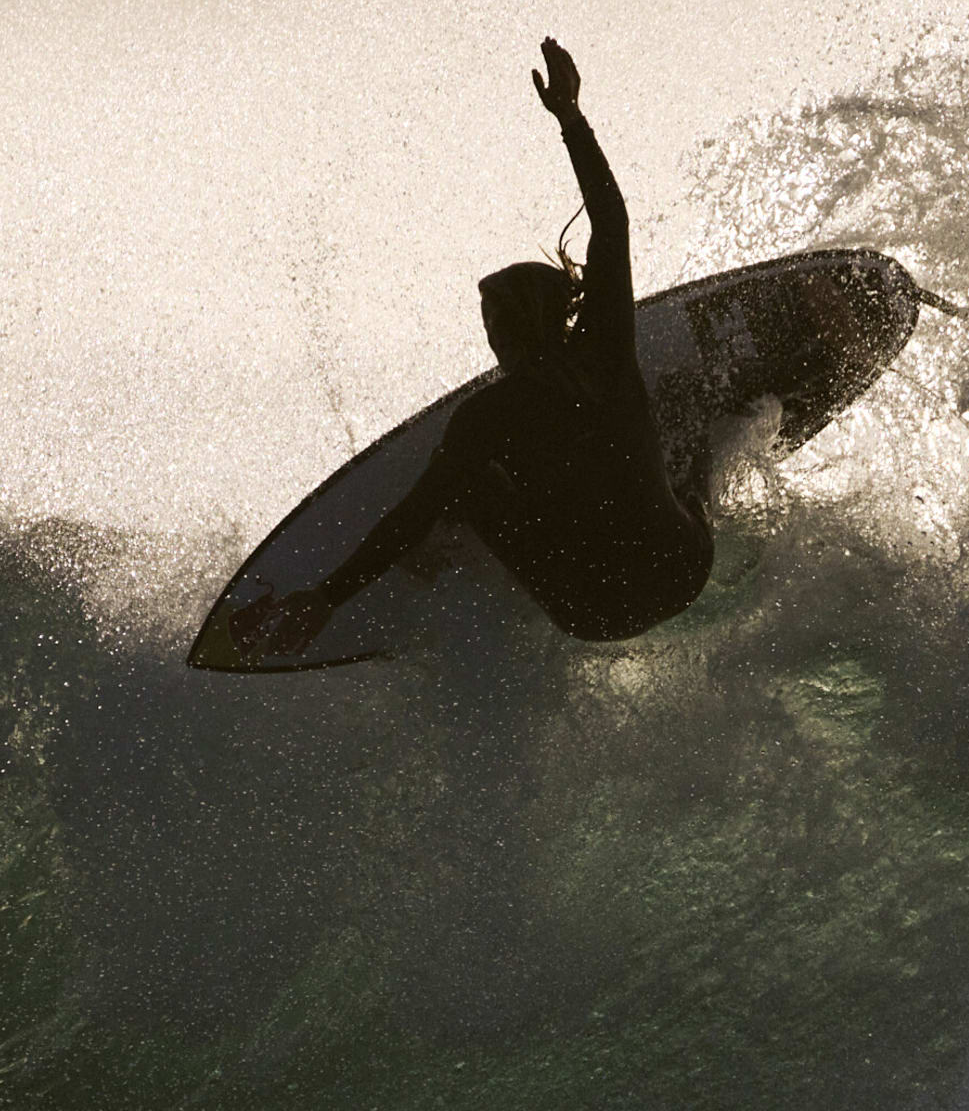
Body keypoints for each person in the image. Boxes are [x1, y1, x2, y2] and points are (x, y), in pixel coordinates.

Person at [243, 39, 710, 657]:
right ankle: (701, 476)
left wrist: (328, 598)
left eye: (491, 321)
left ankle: (447, 549)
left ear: (509, 330)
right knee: (683, 413)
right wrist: (570, 119)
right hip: (681, 571)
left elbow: (409, 516)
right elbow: (611, 220)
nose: (487, 332)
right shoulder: (605, 347)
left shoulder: (486, 418)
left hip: (592, 613)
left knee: (465, 486)